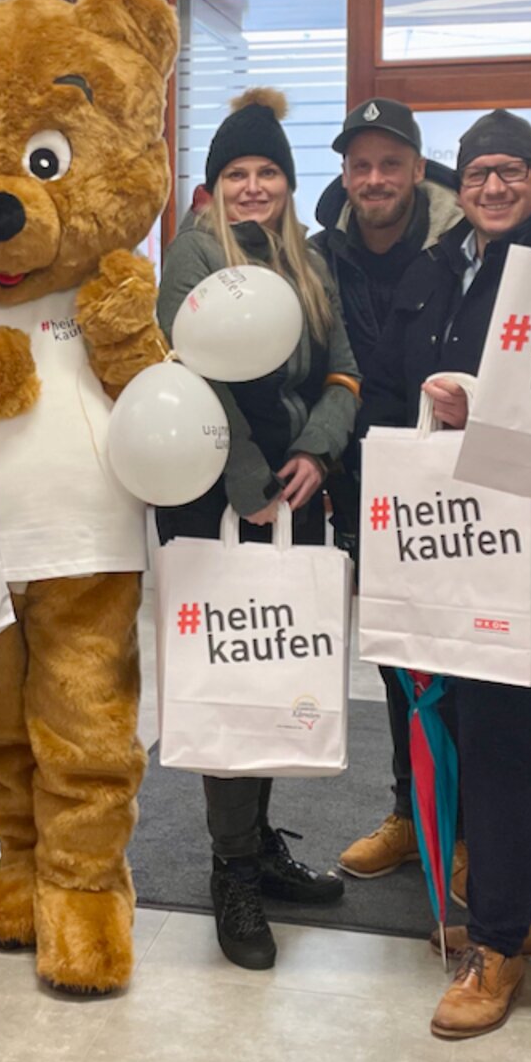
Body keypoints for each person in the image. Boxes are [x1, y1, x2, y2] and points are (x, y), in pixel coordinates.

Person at [385, 110, 531, 1038]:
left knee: (498, 730)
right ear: (459, 185)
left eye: (512, 171)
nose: (494, 187)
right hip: (452, 532)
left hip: (529, 535)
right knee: (519, 724)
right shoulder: (441, 265)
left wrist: (490, 407)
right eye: (478, 174)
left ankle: (497, 942)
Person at [153, 87, 358, 972]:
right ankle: (231, 870)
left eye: (266, 170)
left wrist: (315, 455)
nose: (251, 186)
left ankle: (260, 842)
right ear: (213, 184)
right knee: (229, 675)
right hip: (212, 496)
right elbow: (186, 374)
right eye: (235, 172)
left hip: (296, 492)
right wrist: (246, 484)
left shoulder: (307, 262)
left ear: (286, 179)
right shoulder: (191, 258)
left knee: (278, 670)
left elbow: (344, 374)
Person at [310, 98, 465, 883]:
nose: (375, 179)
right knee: (396, 662)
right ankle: (411, 815)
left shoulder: (462, 248)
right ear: (345, 174)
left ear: (416, 168)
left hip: (453, 492)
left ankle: (465, 831)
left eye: (390, 164)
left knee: (464, 662)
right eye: (361, 165)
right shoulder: (313, 257)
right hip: (357, 487)